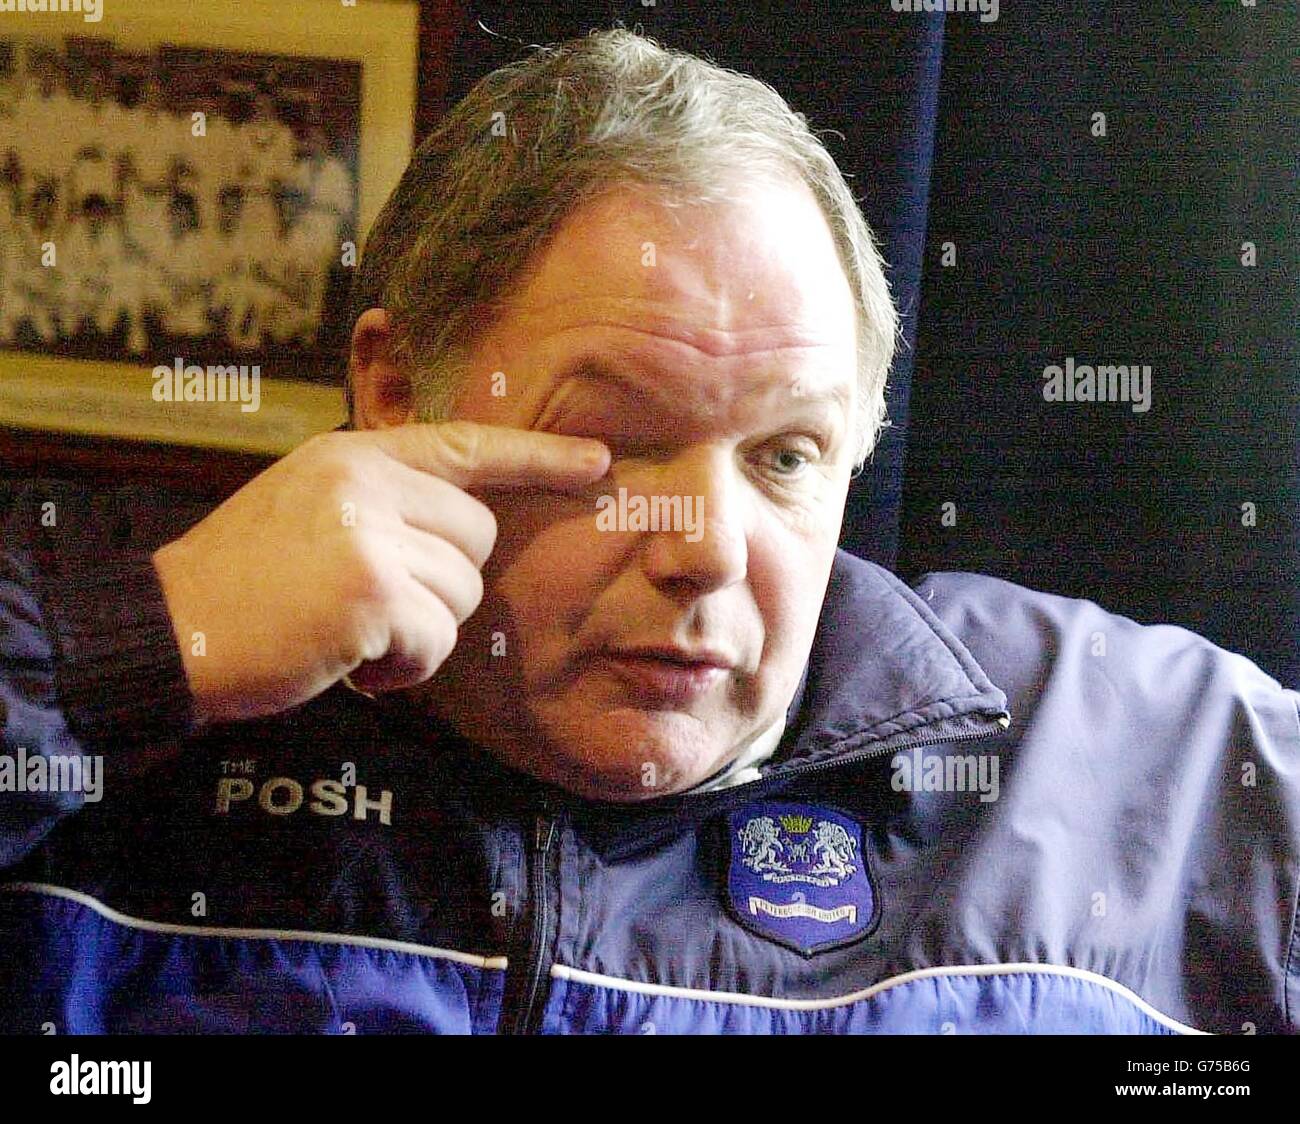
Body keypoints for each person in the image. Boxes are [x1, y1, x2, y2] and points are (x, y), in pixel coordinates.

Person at [1, 28, 1297, 1035]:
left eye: (787, 456)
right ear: (397, 397)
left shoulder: (1148, 759)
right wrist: (129, 651)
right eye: (615, 444)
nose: (711, 549)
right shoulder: (113, 715)